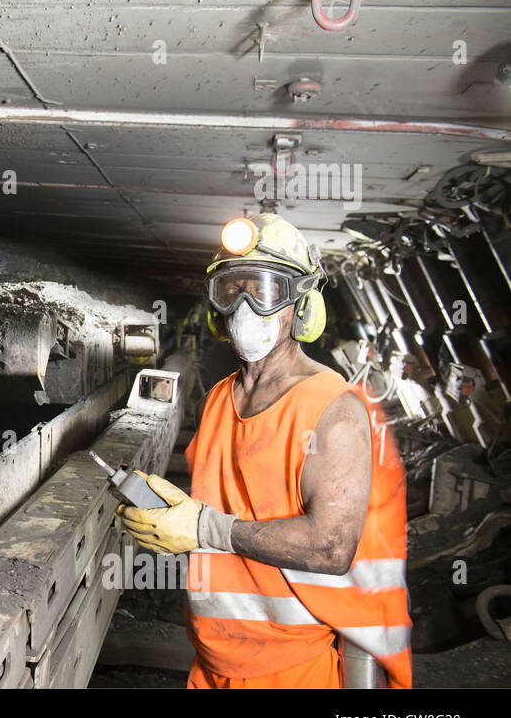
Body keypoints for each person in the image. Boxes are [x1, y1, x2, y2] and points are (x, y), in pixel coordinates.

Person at [118, 213, 411, 688]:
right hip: (213, 662)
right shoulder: (217, 399)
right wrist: (172, 509)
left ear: (302, 307)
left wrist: (200, 527)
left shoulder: (331, 410)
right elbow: (237, 510)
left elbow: (332, 547)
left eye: (265, 291)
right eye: (231, 291)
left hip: (290, 672)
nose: (245, 308)